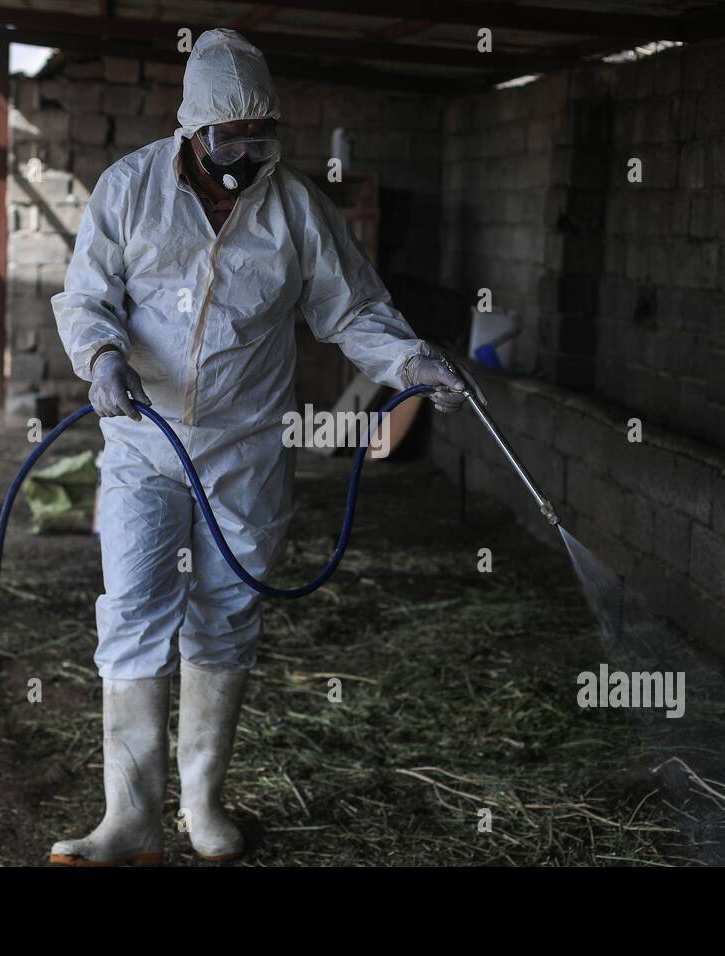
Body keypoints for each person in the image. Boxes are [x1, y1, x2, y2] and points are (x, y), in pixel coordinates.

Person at [50, 29, 467, 866]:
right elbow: (87, 295)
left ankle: (204, 805)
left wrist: (412, 361)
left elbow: (351, 311)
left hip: (244, 448)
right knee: (132, 612)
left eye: (258, 136)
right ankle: (129, 817)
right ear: (192, 130)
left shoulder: (296, 206)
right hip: (143, 440)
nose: (243, 153)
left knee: (227, 613)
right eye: (226, 138)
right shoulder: (129, 188)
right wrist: (100, 360)